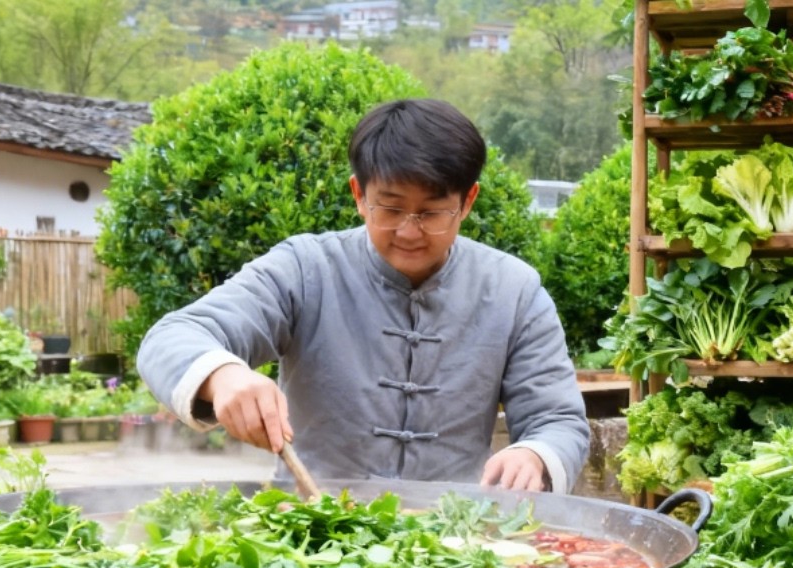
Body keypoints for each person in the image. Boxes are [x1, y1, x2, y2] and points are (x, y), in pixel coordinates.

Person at [137, 98, 589, 493]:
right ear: (359, 193)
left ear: (468, 201)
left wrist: (535, 455)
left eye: (432, 212)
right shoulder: (305, 268)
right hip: (315, 536)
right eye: (390, 208)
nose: (409, 231)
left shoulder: (514, 291)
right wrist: (224, 376)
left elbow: (558, 421)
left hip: (457, 542)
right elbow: (174, 335)